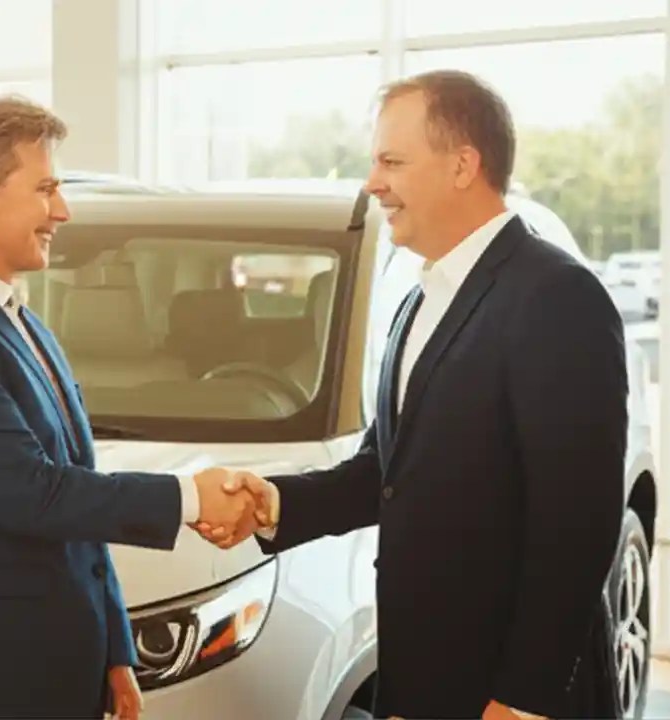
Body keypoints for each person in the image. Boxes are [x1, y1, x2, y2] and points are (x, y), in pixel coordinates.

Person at [201, 70, 627, 719]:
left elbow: (577, 523)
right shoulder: (417, 301)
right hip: (426, 675)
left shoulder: (556, 296)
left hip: (510, 694)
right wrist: (275, 503)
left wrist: (522, 698)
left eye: (391, 162)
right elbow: (387, 472)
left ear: (463, 166)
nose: (373, 183)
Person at [0, 95, 258, 720]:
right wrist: (191, 498)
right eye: (44, 189)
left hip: (38, 671)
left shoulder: (15, 320)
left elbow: (75, 500)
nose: (60, 211)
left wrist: (113, 649)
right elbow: (32, 494)